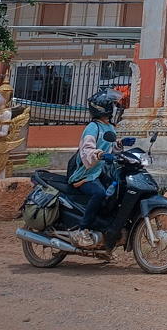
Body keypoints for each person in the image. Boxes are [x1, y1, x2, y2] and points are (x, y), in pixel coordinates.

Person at [67, 88, 126, 248]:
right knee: (99, 193)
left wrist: (121, 145)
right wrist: (100, 155)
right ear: (103, 108)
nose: (115, 107)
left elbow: (112, 150)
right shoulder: (93, 127)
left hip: (102, 173)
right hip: (86, 174)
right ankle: (83, 229)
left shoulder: (110, 128)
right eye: (112, 105)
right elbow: (86, 151)